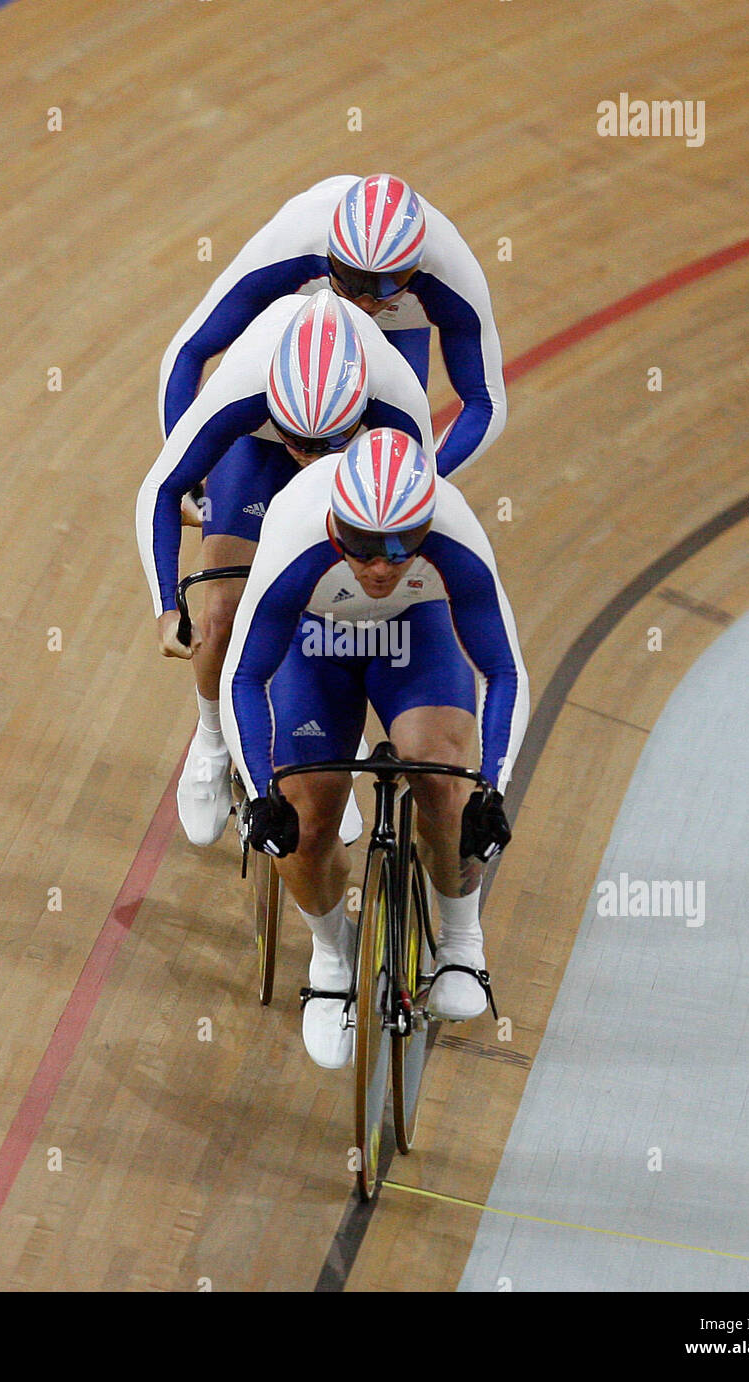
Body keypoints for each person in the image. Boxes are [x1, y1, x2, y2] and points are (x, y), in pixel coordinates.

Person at [220, 429, 529, 1068]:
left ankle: (462, 940)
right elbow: (243, 675)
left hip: (415, 638)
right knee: (303, 823)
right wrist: (259, 795)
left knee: (444, 779)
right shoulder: (295, 538)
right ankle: (332, 954)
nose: (382, 566)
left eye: (401, 547)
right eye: (362, 547)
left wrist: (491, 787)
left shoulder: (456, 535)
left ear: (426, 524)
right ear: (335, 526)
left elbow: (505, 671)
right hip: (314, 643)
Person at [136, 289, 435, 845]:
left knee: (347, 609)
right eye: (300, 440)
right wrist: (166, 606)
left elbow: (419, 511)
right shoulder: (241, 386)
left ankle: (331, 747)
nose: (309, 454)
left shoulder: (396, 398)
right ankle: (210, 740)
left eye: (324, 441)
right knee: (222, 611)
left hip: (353, 472)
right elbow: (161, 486)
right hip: (253, 455)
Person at [159, 174, 506, 480]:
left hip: (393, 337)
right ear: (329, 255)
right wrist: (183, 476)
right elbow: (190, 350)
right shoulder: (289, 245)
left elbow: (485, 402)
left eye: (387, 284)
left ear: (417, 267)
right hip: (296, 335)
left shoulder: (452, 274)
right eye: (350, 280)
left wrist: (415, 489)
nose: (365, 303)